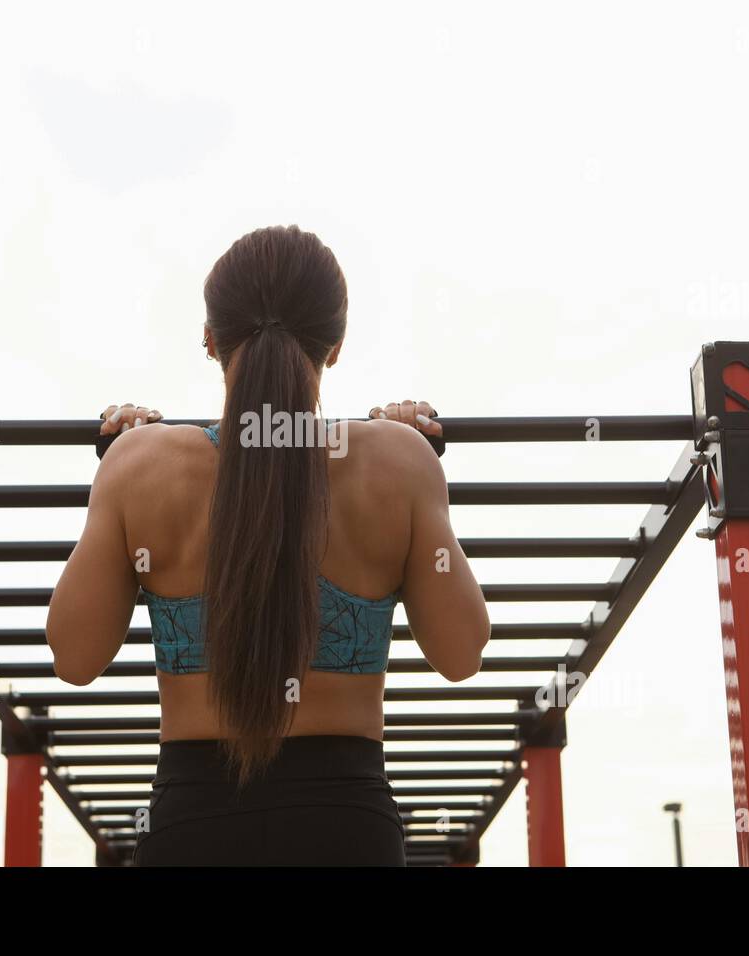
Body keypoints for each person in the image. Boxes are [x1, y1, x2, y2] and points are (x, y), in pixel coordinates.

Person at [46, 224, 489, 865]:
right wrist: (415, 462)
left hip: (191, 831)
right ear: (334, 346)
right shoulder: (397, 461)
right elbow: (461, 653)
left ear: (209, 340)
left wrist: (117, 468)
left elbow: (74, 657)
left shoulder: (140, 466)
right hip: (348, 831)